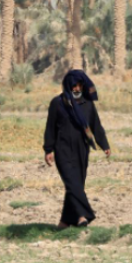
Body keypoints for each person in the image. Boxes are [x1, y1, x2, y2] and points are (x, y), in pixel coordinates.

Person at [43, 69, 110, 229]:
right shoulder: (57, 103)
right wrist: (48, 149)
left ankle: (64, 222)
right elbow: (50, 127)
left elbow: (96, 126)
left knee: (76, 184)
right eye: (74, 86)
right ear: (68, 85)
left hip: (82, 149)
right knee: (72, 184)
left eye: (79, 85)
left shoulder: (87, 104)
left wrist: (104, 144)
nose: (77, 89)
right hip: (62, 149)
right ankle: (83, 216)